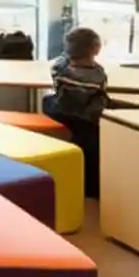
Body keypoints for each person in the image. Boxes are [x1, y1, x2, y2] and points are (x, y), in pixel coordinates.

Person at [42, 27, 107, 198]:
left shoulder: (60, 68)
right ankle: (91, 189)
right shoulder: (98, 74)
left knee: (46, 100)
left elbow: (56, 78)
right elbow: (101, 92)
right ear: (96, 49)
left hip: (62, 111)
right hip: (86, 117)